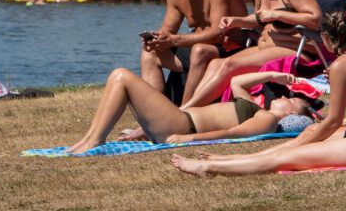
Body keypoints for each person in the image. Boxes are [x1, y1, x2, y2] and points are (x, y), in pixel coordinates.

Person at [173, 6, 346, 174]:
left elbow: (333, 121)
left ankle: (210, 168)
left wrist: (300, 144)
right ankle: (228, 159)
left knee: (286, 158)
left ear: (325, 38)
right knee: (297, 146)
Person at [179, 0, 327, 108]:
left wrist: (278, 14)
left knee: (229, 64)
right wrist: (237, 21)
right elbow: (260, 18)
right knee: (217, 63)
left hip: (292, 50)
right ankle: (191, 108)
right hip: (265, 46)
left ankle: (186, 112)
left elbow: (316, 18)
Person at [62, 65, 321, 155]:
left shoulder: (266, 121)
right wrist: (273, 75)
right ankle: (88, 139)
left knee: (121, 77)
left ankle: (95, 140)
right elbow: (236, 82)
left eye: (292, 100)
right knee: (118, 78)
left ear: (291, 115)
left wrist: (189, 138)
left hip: (183, 125)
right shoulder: (256, 108)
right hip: (179, 121)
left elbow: (232, 133)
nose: (286, 96)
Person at [139, 0, 249, 102]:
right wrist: (156, 40)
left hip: (231, 48)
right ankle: (155, 115)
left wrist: (175, 40)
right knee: (150, 54)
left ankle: (185, 116)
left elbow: (218, 34)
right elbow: (168, 31)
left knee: (199, 50)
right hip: (198, 49)